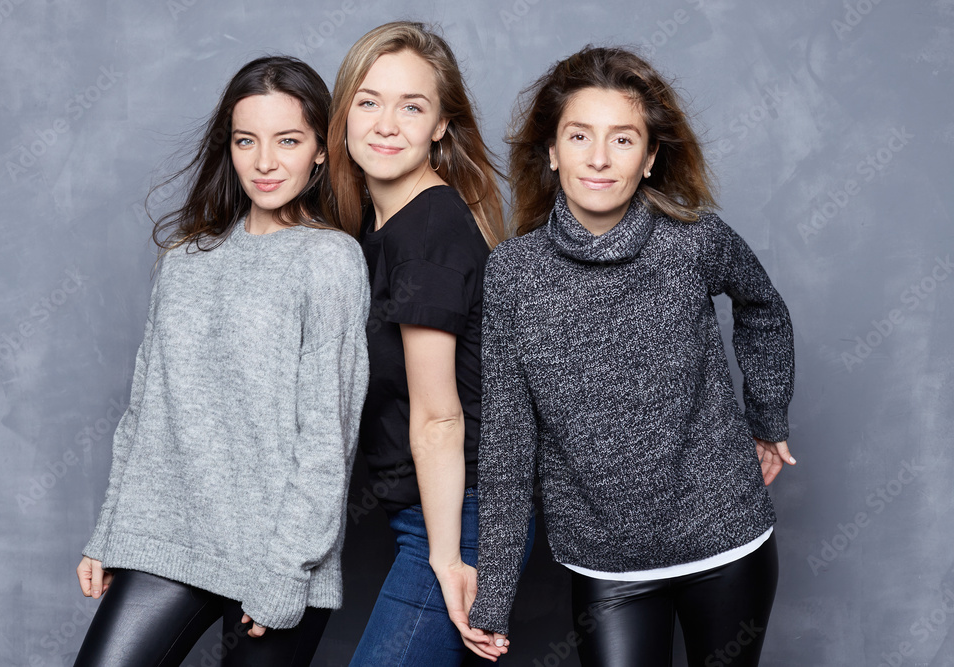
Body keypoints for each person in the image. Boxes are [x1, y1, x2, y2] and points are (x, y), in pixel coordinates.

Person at [468, 46, 796, 667]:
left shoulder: (693, 241)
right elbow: (508, 444)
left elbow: (763, 308)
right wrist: (495, 596)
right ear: (552, 151)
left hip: (726, 544)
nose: (599, 157)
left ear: (648, 159)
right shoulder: (513, 273)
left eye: (622, 139)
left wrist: (768, 416)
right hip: (607, 565)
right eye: (579, 136)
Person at [73, 55, 369, 667]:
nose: (265, 162)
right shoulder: (185, 261)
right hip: (169, 537)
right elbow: (145, 413)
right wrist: (109, 533)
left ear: (321, 149)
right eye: (246, 140)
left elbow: (327, 437)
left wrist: (287, 571)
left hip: (278, 555)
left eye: (288, 140)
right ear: (228, 147)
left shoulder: (330, 261)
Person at [327, 21, 535, 665]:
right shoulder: (379, 230)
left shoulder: (427, 231)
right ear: (343, 114)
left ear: (441, 126)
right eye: (369, 101)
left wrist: (447, 557)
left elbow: (441, 416)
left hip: (456, 518)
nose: (387, 124)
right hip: (430, 512)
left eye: (412, 106)